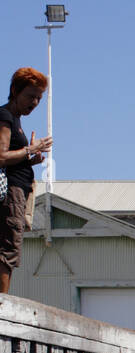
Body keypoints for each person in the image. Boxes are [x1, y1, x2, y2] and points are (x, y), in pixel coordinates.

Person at [0, 67, 52, 294]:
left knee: (9, 249)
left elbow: (11, 157)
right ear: (15, 90)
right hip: (11, 193)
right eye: (31, 96)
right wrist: (31, 148)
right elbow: (1, 156)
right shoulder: (6, 116)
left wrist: (29, 159)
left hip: (18, 190)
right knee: (8, 250)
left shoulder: (16, 119)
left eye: (39, 98)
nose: (35, 102)